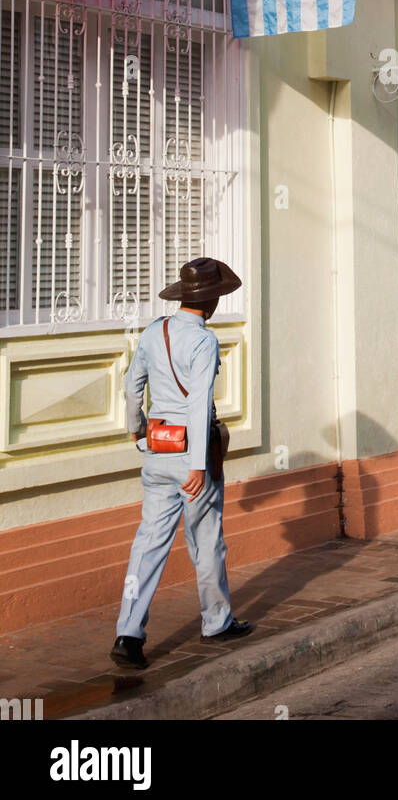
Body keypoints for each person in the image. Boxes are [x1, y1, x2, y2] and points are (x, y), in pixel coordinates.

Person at [111, 257, 252, 670]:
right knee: (206, 539)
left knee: (148, 544)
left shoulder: (155, 331)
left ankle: (128, 634)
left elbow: (132, 383)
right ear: (209, 303)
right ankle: (216, 622)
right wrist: (196, 467)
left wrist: (136, 430)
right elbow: (197, 404)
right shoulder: (204, 342)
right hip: (193, 455)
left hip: (157, 449)